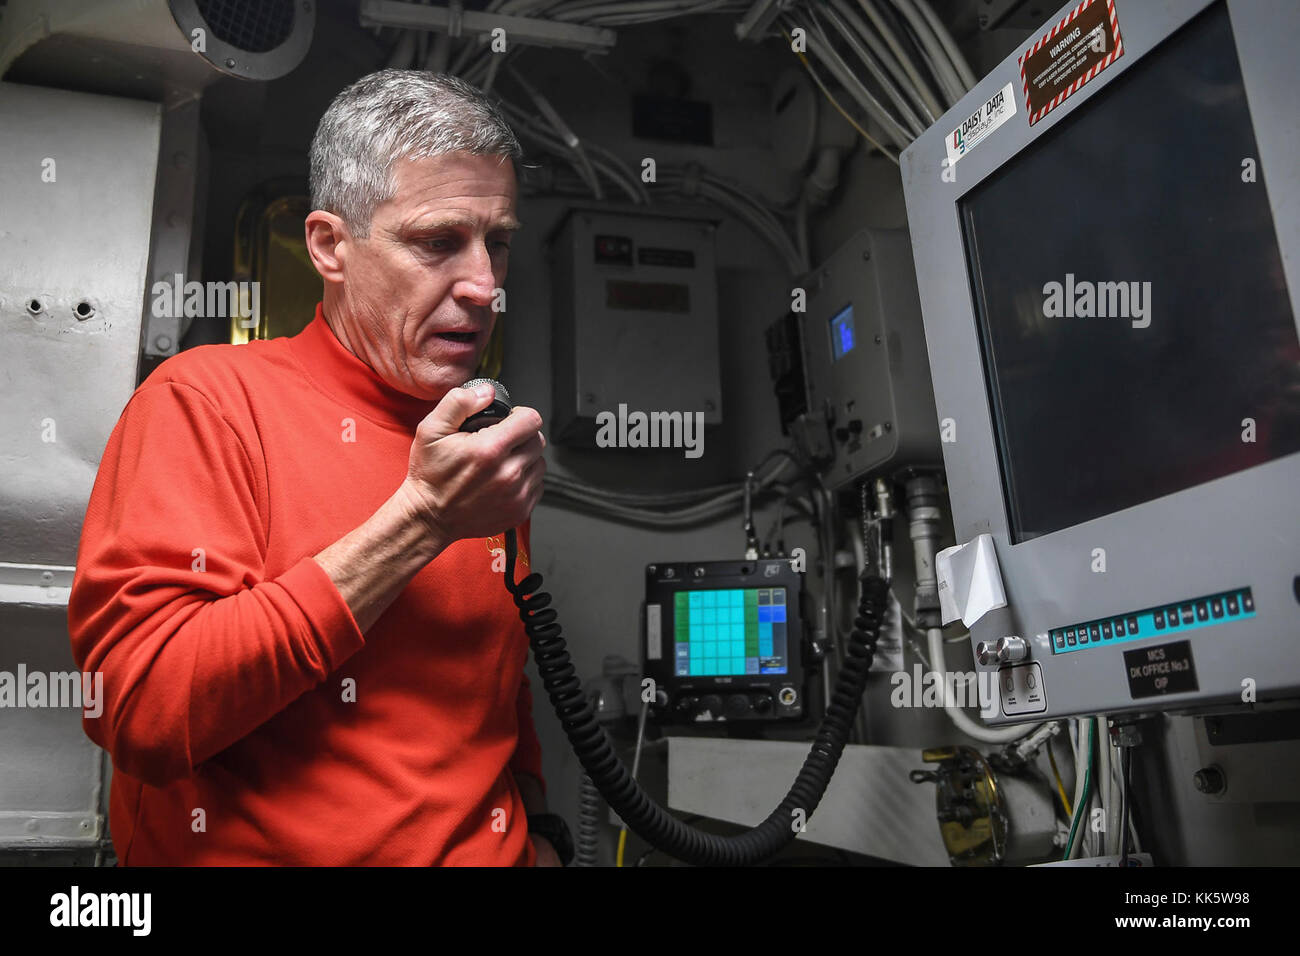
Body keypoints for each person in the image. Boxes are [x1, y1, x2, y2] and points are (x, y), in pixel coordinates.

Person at [67, 70, 562, 865]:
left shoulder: (476, 438)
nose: (484, 286)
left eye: (496, 243)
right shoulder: (206, 402)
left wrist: (543, 832)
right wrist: (420, 521)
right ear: (331, 245)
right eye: (439, 242)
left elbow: (496, 683)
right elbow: (141, 713)